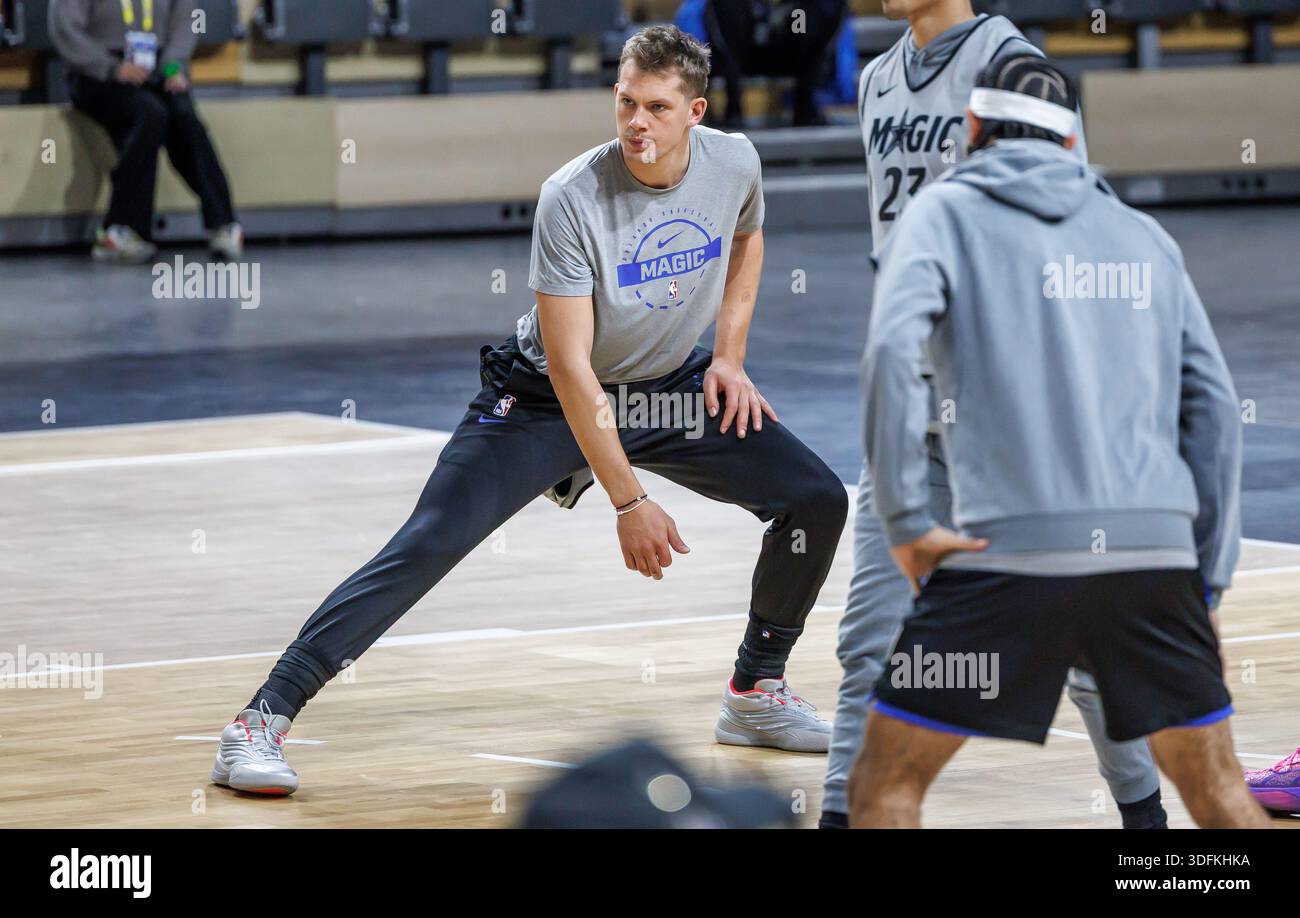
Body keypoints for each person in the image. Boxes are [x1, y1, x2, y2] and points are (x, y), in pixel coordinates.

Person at [209, 25, 848, 796]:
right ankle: (259, 720)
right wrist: (631, 500)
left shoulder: (734, 161)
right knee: (429, 542)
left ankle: (756, 692)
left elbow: (747, 238)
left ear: (695, 112)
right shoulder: (571, 196)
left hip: (667, 387)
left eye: (654, 107)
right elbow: (576, 370)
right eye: (624, 103)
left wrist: (730, 359)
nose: (635, 123)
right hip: (543, 399)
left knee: (815, 498)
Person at [845, 54, 1268, 829]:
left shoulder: (939, 214)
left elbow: (889, 354)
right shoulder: (1145, 236)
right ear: (1072, 143)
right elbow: (1212, 406)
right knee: (1219, 793)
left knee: (886, 788)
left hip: (1006, 560)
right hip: (1151, 567)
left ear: (971, 130)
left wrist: (905, 519)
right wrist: (1204, 578)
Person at [820, 0, 1170, 831]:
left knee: (1083, 653)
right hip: (913, 412)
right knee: (870, 643)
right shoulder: (875, 81)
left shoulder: (1017, 69)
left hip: (1018, 423)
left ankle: (1151, 832)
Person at [49, 0, 242, 263]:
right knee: (150, 113)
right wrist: (111, 68)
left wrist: (174, 66)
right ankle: (122, 228)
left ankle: (223, 223)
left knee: (184, 116)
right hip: (97, 71)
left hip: (157, 63)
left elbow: (186, 20)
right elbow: (65, 29)